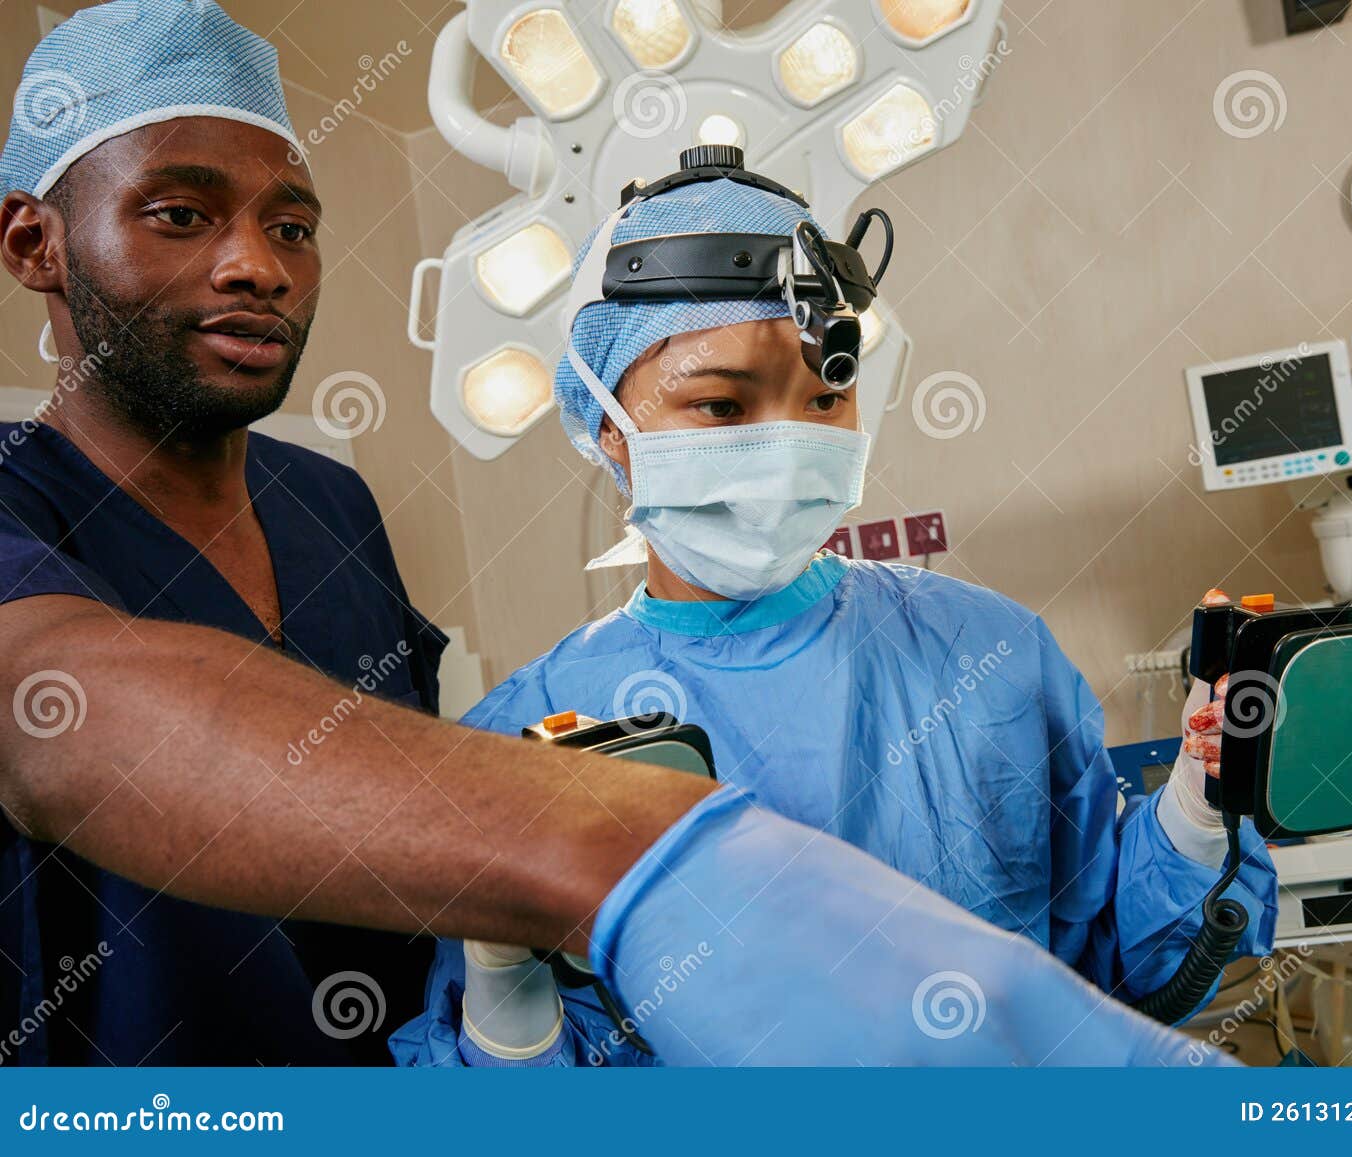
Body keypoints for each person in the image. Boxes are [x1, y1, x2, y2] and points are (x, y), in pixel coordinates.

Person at [0, 1, 1225, 1069]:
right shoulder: (22, 500)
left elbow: (1116, 943)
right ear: (34, 243)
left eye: (294, 225)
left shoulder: (328, 504)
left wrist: (1194, 820)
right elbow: (66, 710)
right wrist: (594, 846)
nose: (256, 265)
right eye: (177, 214)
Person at [396, 156, 1279, 1066]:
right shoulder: (522, 741)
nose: (786, 447)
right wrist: (504, 978)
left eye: (826, 396)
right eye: (721, 405)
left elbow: (1113, 970)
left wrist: (1196, 809)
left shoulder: (991, 652)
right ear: (609, 425)